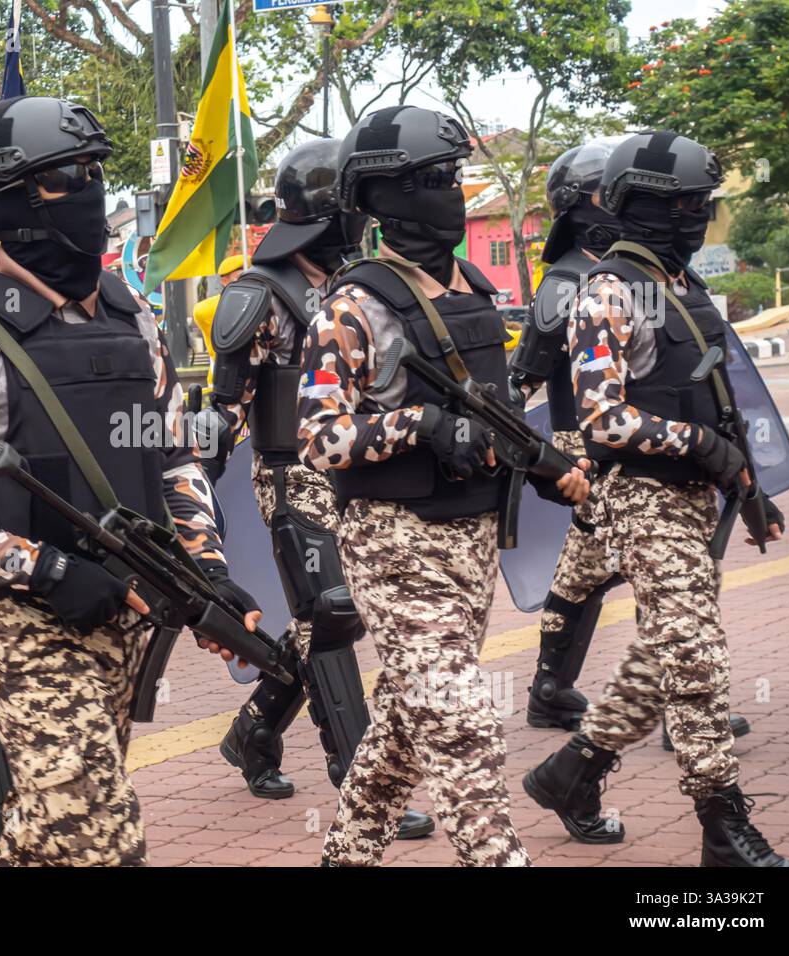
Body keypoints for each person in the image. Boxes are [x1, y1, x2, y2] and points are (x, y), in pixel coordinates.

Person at [0, 96, 257, 865]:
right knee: (97, 833)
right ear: (1, 202)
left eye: (93, 170)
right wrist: (45, 569)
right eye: (62, 178)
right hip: (15, 618)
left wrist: (210, 573)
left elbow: (174, 458)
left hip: (121, 610)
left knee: (53, 829)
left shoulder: (133, 317)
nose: (89, 189)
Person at [297, 106, 590, 867]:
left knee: (402, 726)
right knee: (460, 718)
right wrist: (418, 426)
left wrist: (545, 465)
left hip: (471, 539)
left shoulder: (475, 292)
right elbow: (317, 437)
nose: (451, 193)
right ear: (382, 197)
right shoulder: (351, 306)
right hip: (396, 541)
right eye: (431, 179)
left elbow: (497, 419)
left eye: (452, 176)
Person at [522, 131, 789, 867]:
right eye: (679, 204)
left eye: (699, 205)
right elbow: (602, 417)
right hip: (639, 496)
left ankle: (572, 771)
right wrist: (702, 448)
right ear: (638, 203)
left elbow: (718, 402)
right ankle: (721, 824)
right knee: (698, 657)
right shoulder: (605, 292)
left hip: (693, 498)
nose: (692, 217)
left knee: (663, 648)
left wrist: (748, 485)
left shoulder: (678, 287)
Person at [198, 138, 436, 838]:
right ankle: (363, 781)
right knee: (330, 612)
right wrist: (192, 493)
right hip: (289, 474)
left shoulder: (361, 287)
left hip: (359, 472)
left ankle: (253, 731)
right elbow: (224, 405)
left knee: (333, 617)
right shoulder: (257, 293)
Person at [510, 137, 754, 747]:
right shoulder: (573, 283)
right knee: (659, 575)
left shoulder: (660, 274)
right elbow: (523, 381)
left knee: (595, 571)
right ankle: (669, 710)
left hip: (653, 451)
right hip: (599, 450)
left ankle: (557, 700)